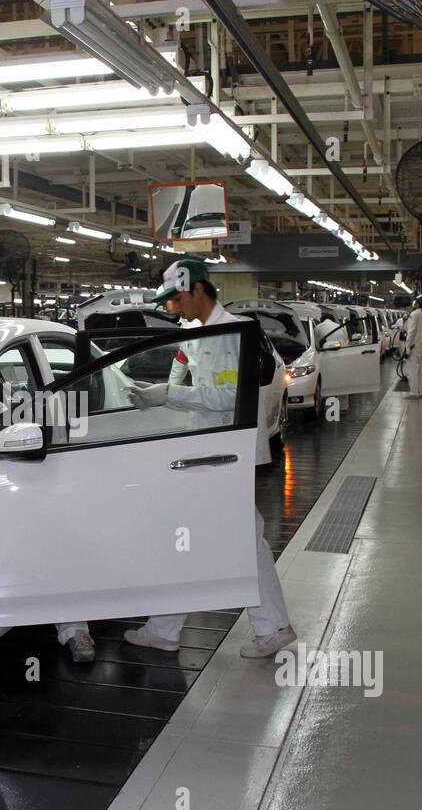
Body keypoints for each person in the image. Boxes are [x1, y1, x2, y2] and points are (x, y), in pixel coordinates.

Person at [114, 259, 296, 660]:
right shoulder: (200, 332)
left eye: (177, 298)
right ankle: (172, 628)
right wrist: (159, 394)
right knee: (213, 537)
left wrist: (167, 394)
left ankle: (264, 627)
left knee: (212, 538)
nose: (173, 307)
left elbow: (225, 398)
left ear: (198, 290)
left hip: (223, 453)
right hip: (209, 451)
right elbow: (189, 376)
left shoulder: (229, 335)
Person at [404, 295, 422, 397]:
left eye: (415, 302)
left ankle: (413, 393)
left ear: (418, 303)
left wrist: (407, 346)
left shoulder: (414, 314)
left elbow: (411, 332)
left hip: (414, 346)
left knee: (412, 369)